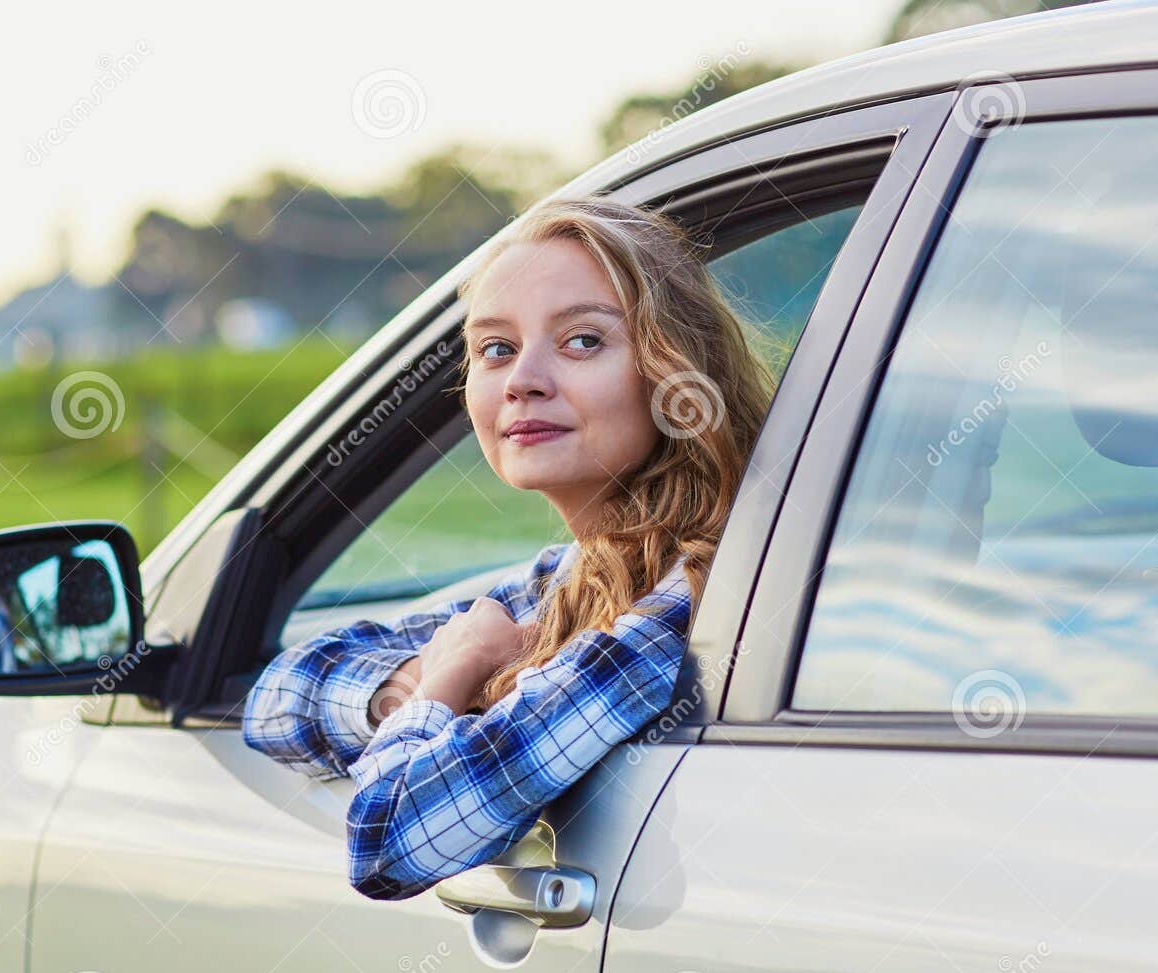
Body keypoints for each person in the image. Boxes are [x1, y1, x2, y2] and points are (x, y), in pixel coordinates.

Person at [241, 196, 773, 900]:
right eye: (496, 348)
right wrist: (422, 682)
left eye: (583, 340)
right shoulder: (568, 579)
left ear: (672, 367)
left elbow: (390, 838)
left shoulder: (677, 607)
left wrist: (446, 683)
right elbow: (274, 700)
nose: (523, 380)